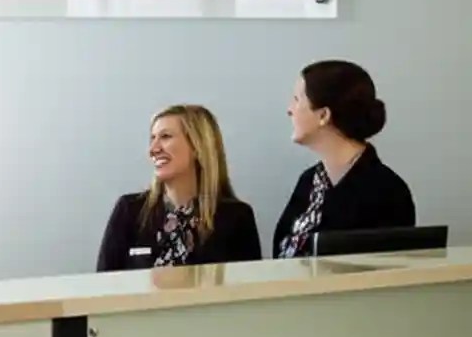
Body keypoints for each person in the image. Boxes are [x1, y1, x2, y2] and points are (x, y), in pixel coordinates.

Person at [273, 59, 415, 259]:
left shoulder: (387, 192)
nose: (289, 109)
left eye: (296, 99)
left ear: (323, 115)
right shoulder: (308, 181)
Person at [96, 104, 261, 271]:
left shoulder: (236, 217)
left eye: (165, 136)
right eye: (152, 138)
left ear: (198, 147)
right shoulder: (129, 211)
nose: (153, 149)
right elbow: (103, 286)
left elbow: (248, 292)